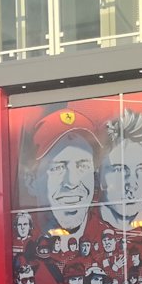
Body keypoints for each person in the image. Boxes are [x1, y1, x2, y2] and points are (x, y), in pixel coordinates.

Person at [23, 108, 100, 253]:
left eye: (83, 166)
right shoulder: (22, 246)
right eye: (58, 167)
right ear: (31, 182)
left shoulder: (112, 239)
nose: (72, 181)